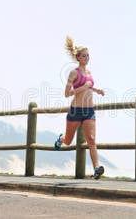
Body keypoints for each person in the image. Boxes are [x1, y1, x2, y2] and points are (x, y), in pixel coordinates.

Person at [54, 36, 106, 179]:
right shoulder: (73, 73)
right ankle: (61, 139)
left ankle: (96, 168)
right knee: (69, 141)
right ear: (78, 57)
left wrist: (97, 90)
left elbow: (89, 86)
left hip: (89, 111)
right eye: (84, 55)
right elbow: (67, 93)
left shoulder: (89, 73)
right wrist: (83, 87)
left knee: (91, 139)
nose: (87, 58)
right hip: (76, 111)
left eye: (88, 55)